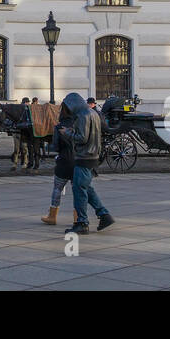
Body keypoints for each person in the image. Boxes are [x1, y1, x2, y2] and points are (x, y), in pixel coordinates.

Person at [61, 92, 114, 235]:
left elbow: (82, 138)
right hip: (92, 155)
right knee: (87, 188)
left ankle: (82, 223)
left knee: (79, 190)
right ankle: (104, 215)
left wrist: (67, 133)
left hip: (84, 156)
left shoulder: (82, 115)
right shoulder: (92, 112)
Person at [41, 108, 76, 226]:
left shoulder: (59, 127)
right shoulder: (78, 125)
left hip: (63, 161)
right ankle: (77, 217)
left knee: (57, 189)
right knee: (77, 191)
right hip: (77, 161)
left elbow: (55, 147)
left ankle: (52, 216)